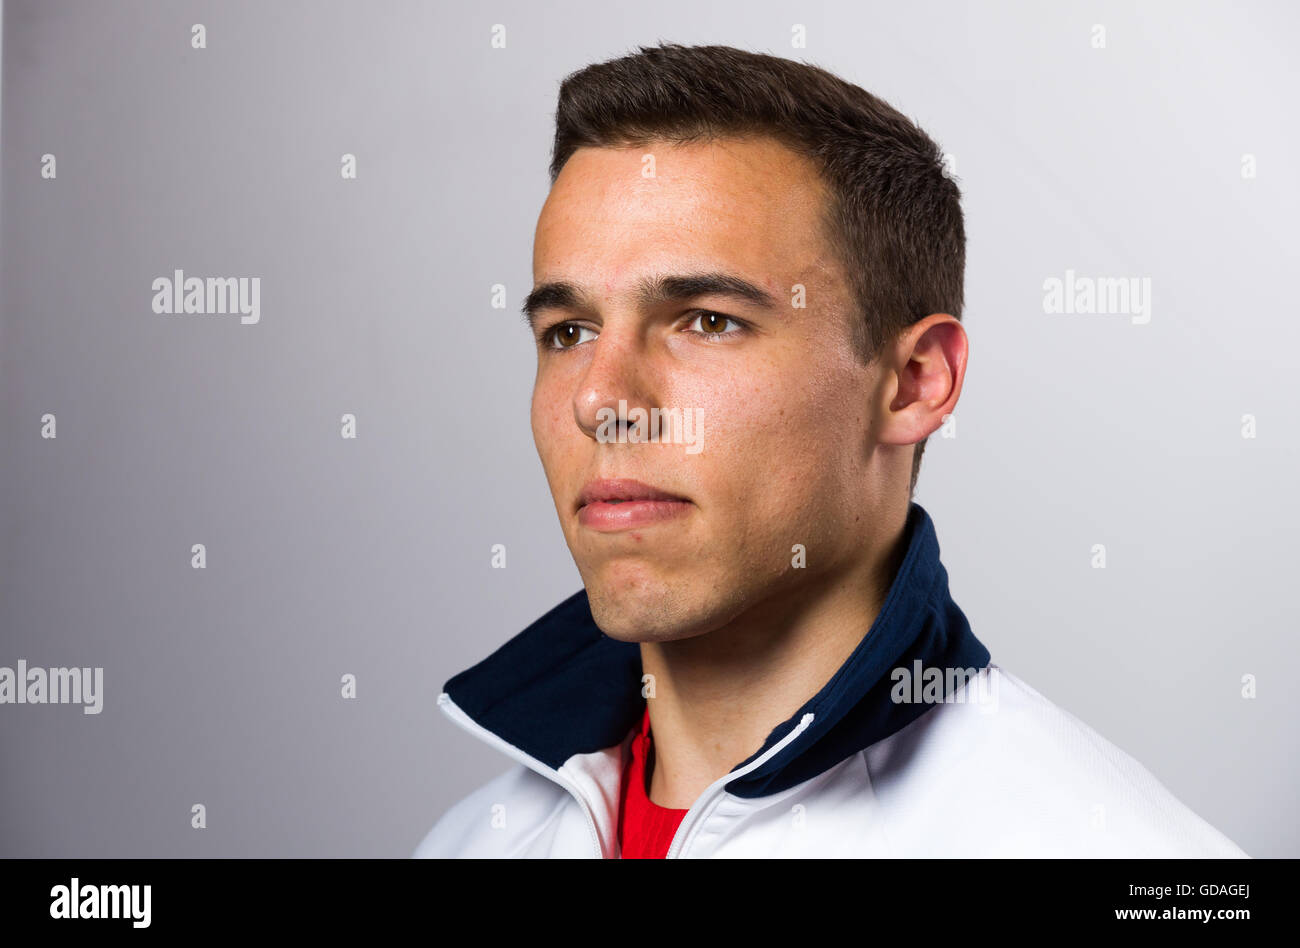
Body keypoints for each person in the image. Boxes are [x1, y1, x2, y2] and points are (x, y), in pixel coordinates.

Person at [414, 43, 1246, 858]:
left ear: (916, 382)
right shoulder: (465, 843)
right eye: (569, 331)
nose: (600, 400)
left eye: (707, 320)